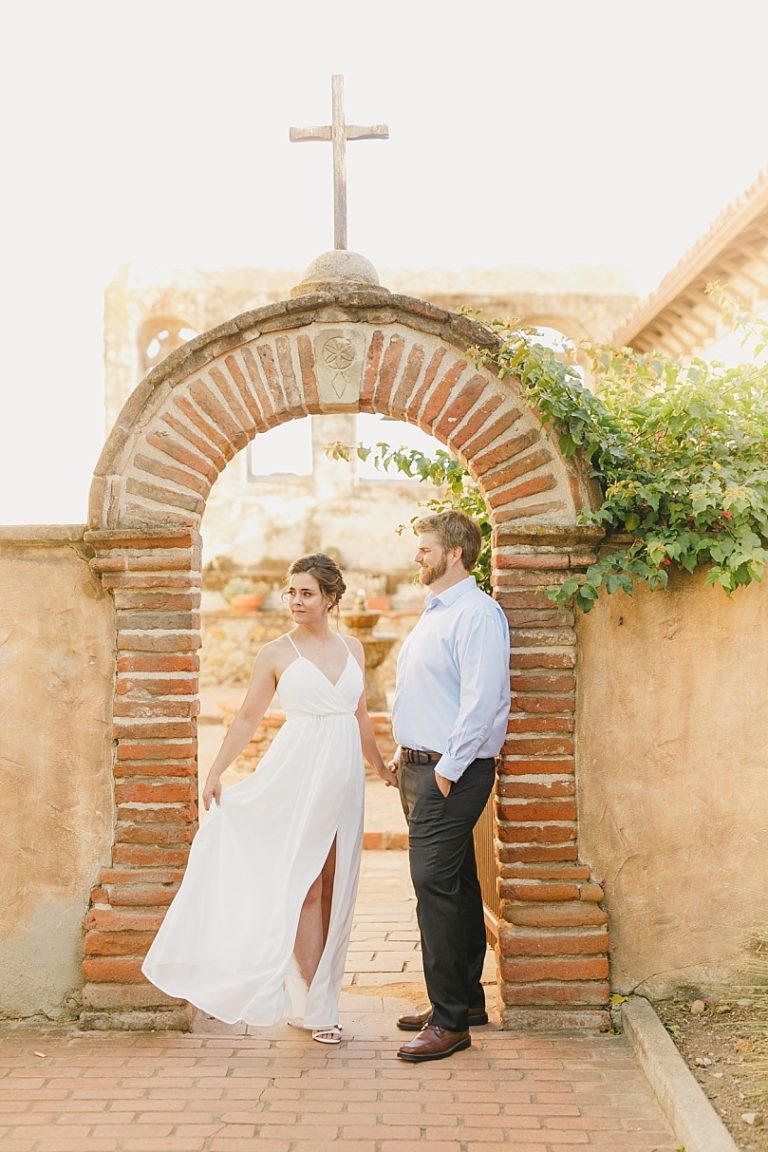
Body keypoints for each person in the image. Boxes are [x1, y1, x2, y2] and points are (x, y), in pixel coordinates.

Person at [142, 553, 395, 1045]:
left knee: (335, 882)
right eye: (292, 592)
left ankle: (317, 998)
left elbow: (361, 717)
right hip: (297, 774)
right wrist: (216, 771)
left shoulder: (355, 650)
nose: (296, 601)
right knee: (307, 885)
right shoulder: (276, 653)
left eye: (307, 593)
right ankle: (317, 1007)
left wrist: (380, 765)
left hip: (342, 779)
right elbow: (245, 719)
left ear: (330, 599)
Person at [388, 511, 510, 1063]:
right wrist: (405, 749)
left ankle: (449, 1022)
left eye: (426, 548)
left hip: (450, 772)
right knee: (456, 884)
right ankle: (464, 1000)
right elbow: (428, 692)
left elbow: (482, 701)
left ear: (454, 553)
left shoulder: (477, 615)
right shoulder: (436, 611)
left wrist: (447, 767)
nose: (417, 556)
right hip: (422, 767)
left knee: (432, 885)